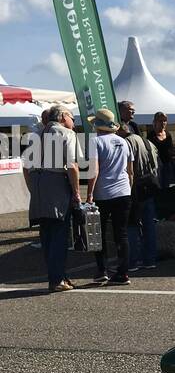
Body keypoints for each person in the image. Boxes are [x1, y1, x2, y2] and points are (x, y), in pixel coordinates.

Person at [25, 103, 81, 292]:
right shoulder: (66, 134)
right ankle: (57, 279)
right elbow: (72, 166)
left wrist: (33, 188)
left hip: (39, 185)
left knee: (47, 235)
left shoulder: (36, 135)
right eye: (72, 117)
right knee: (59, 233)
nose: (73, 122)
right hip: (56, 184)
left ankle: (58, 276)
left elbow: (25, 167)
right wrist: (76, 193)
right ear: (64, 116)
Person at [87, 108, 133, 285]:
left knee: (99, 234)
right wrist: (129, 188)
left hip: (103, 192)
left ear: (97, 125)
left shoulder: (96, 142)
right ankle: (123, 272)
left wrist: (89, 194)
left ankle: (102, 270)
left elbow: (95, 170)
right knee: (121, 234)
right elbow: (130, 171)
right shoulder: (123, 142)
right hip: (123, 191)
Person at [121, 116, 160, 270]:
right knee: (149, 225)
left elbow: (127, 167)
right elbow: (158, 165)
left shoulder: (127, 142)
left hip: (135, 186)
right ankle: (150, 260)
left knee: (131, 225)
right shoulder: (148, 142)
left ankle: (132, 261)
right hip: (150, 185)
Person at [146, 111, 175, 190]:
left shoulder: (168, 134)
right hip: (157, 166)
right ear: (155, 122)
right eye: (160, 120)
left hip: (168, 164)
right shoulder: (151, 135)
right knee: (159, 186)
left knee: (169, 186)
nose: (163, 123)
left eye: (165, 120)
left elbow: (171, 149)